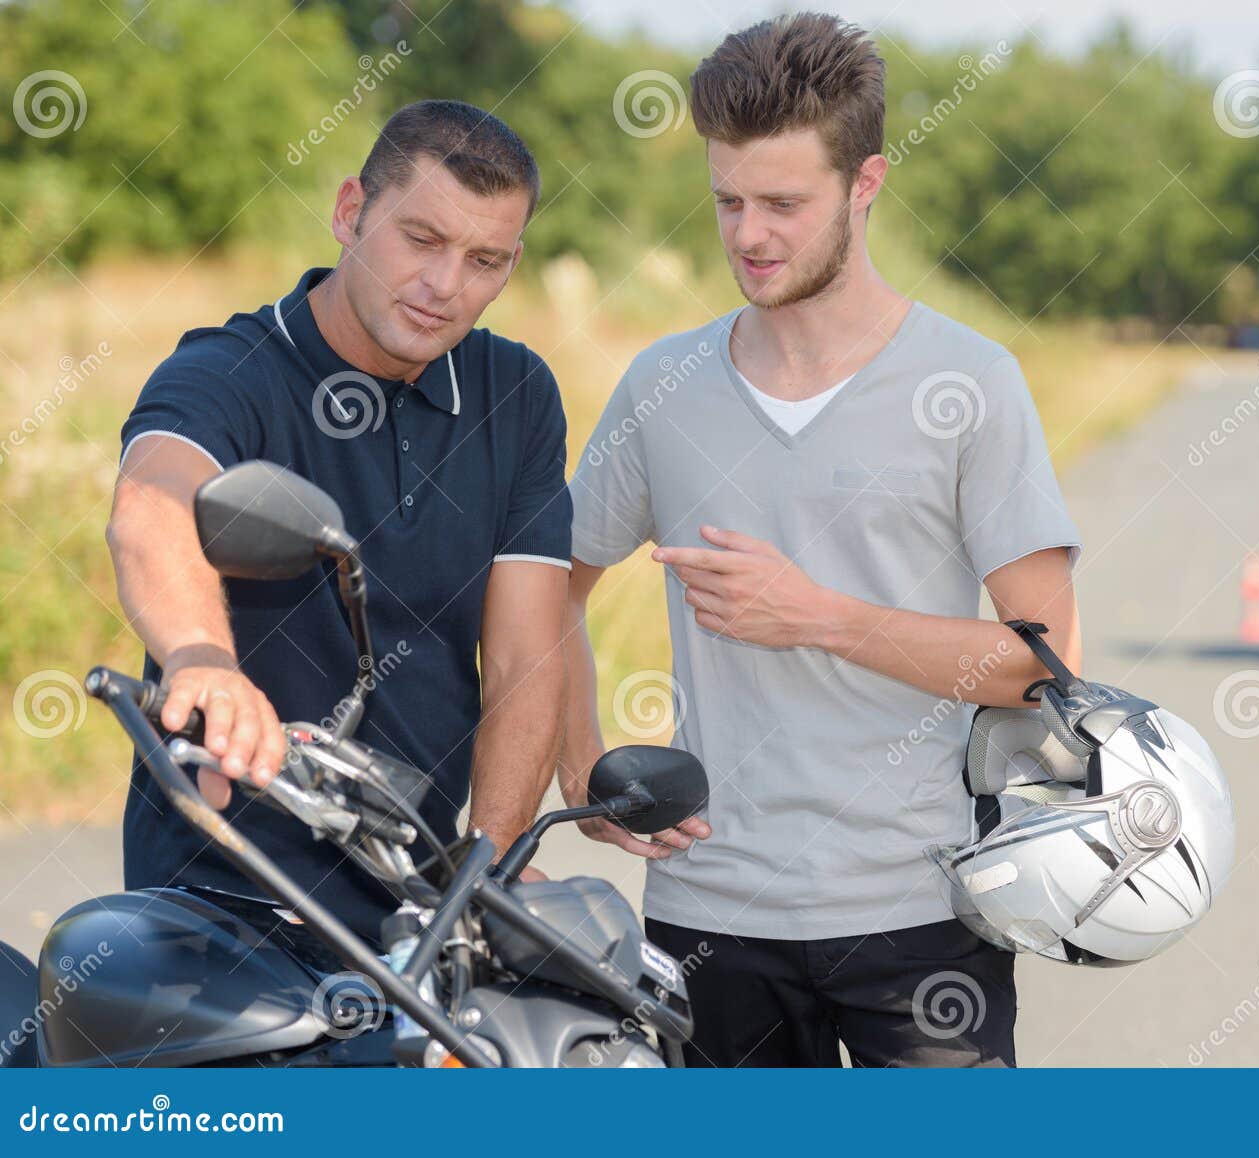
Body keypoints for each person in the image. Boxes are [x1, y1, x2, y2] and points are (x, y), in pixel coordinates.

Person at [560, 14, 1083, 1067]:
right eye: (727, 201)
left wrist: (818, 618)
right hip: (709, 917)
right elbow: (547, 592)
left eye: (783, 204)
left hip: (922, 911)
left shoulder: (970, 384)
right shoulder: (662, 387)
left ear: (865, 183)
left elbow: (1043, 666)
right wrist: (581, 772)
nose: (749, 234)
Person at [107, 100, 573, 947]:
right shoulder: (230, 369)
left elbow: (525, 652)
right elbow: (151, 503)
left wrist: (488, 863)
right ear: (351, 211)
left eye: (485, 261)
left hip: (415, 911)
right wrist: (202, 657)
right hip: (222, 900)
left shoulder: (518, 394)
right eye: (421, 240)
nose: (445, 287)